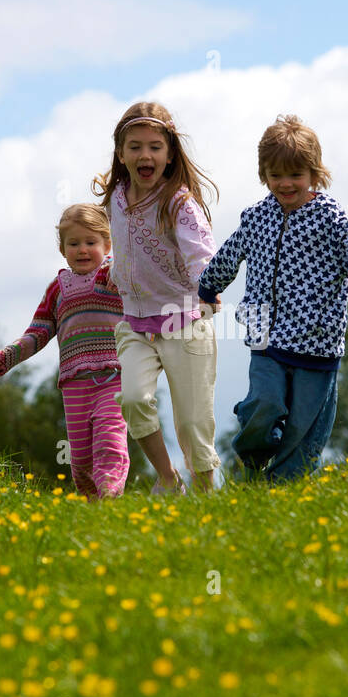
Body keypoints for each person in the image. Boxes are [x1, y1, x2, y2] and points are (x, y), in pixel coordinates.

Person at [197, 114, 348, 482]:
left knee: (304, 427)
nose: (285, 184)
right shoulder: (257, 217)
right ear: (264, 175)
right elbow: (229, 253)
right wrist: (209, 287)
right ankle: (253, 457)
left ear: (315, 175)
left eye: (296, 175)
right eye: (275, 175)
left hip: (317, 339)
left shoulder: (330, 218)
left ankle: (282, 488)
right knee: (263, 404)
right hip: (265, 335)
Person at [92, 102, 221, 494]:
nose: (144, 155)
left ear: (168, 155)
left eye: (154, 147)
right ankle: (168, 478)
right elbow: (126, 244)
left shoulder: (179, 203)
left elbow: (201, 254)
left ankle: (206, 495)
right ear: (120, 152)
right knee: (133, 400)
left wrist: (208, 291)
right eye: (134, 147)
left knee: (192, 423)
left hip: (185, 322)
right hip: (135, 324)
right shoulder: (116, 195)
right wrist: (115, 270)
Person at [0, 203, 129, 499]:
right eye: (74, 243)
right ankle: (94, 506)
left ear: (107, 244)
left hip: (115, 376)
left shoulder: (114, 275)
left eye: (91, 242)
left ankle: (111, 493)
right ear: (63, 249)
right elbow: (39, 331)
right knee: (81, 460)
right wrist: (8, 355)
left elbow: (138, 280)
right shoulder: (57, 289)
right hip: (74, 384)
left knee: (109, 442)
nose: (82, 250)